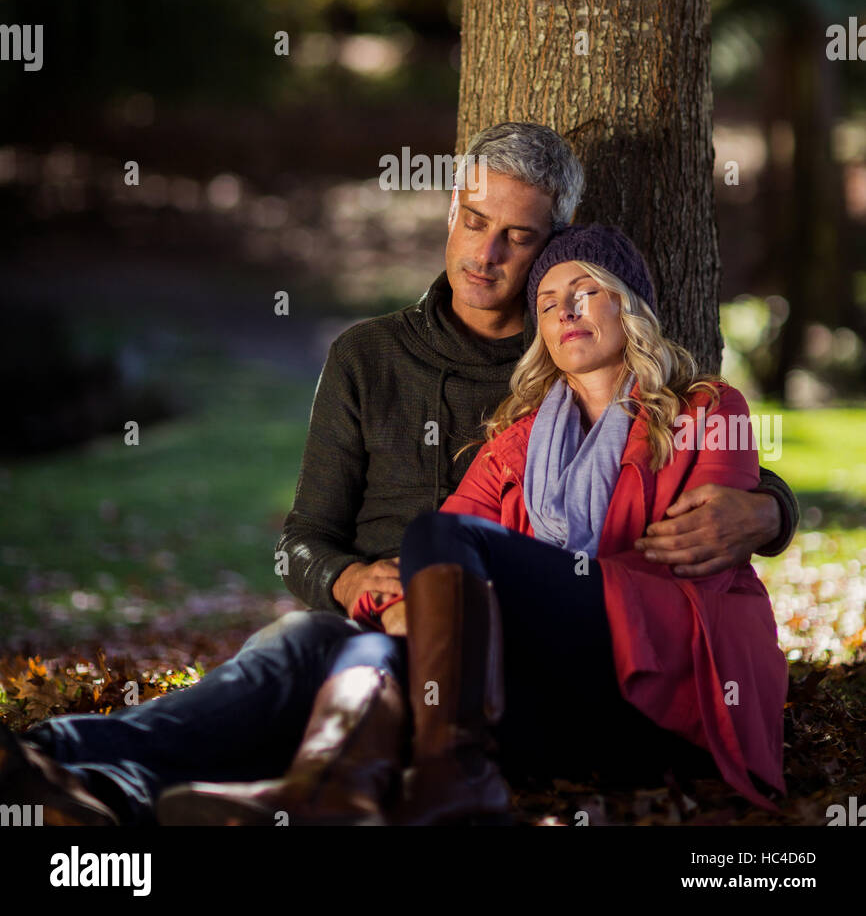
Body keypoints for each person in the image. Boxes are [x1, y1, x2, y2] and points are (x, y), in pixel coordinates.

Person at [0, 125, 796, 826]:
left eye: (520, 241)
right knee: (313, 644)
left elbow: (716, 493)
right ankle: (76, 772)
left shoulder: (610, 387)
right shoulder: (380, 365)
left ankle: (397, 779)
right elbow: (304, 543)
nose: (486, 255)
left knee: (361, 637)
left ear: (559, 248)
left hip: (533, 656)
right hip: (392, 625)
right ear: (450, 211)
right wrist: (361, 587)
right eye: (475, 222)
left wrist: (770, 513)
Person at [388, 224, 789, 825]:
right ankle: (220, 766)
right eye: (547, 305)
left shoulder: (707, 410)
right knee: (355, 657)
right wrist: (399, 604)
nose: (565, 311)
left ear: (627, 302)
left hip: (674, 688)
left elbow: (692, 557)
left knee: (441, 546)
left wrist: (513, 597)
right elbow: (439, 568)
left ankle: (451, 776)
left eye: (585, 291)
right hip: (563, 704)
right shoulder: (511, 447)